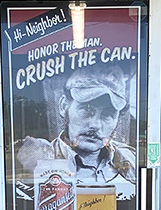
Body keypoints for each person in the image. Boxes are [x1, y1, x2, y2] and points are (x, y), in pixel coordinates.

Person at [16, 66, 136, 199]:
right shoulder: (41, 160)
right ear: (63, 106)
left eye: (107, 115)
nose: (95, 125)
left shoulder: (129, 160)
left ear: (117, 120)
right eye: (87, 109)